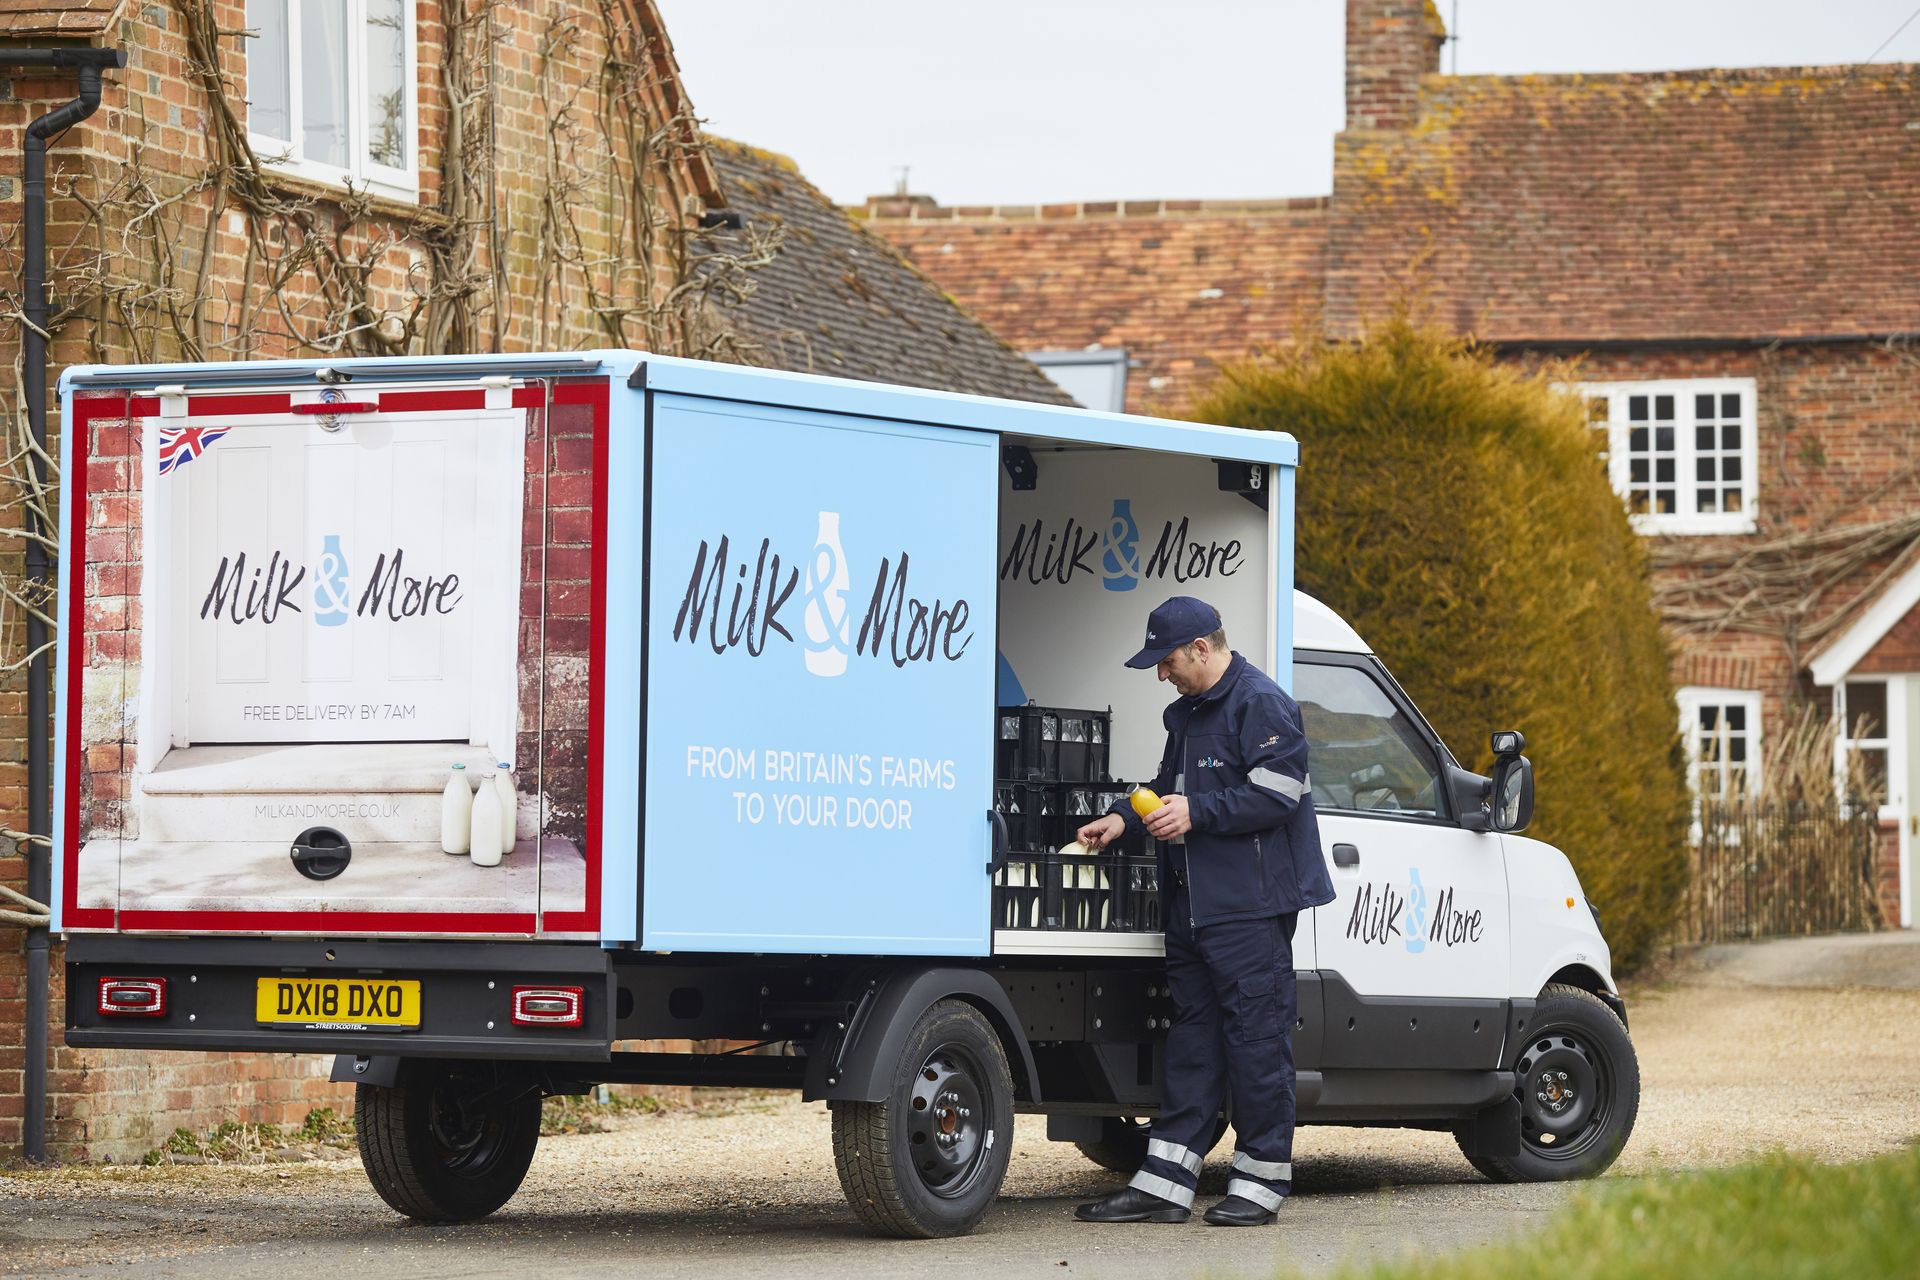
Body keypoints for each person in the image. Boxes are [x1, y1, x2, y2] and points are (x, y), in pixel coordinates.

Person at [1072, 596, 1334, 1227]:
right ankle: (1165, 1183)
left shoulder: (1261, 702)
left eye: (1166, 662)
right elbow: (1170, 789)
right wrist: (1124, 818)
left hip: (1249, 908)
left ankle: (1261, 1183)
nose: (1162, 675)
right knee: (1192, 1042)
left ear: (1201, 649)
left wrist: (1198, 813)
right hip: (1195, 908)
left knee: (1257, 1044)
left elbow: (1280, 792)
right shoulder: (1189, 715)